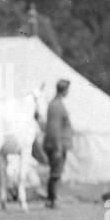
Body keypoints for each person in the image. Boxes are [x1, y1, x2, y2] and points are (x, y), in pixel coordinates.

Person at [43, 79, 74, 208]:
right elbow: (54, 128)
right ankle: (52, 200)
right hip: (57, 145)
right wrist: (58, 147)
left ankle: (53, 199)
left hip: (59, 144)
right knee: (55, 173)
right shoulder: (56, 105)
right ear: (64, 90)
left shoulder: (56, 103)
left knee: (56, 172)